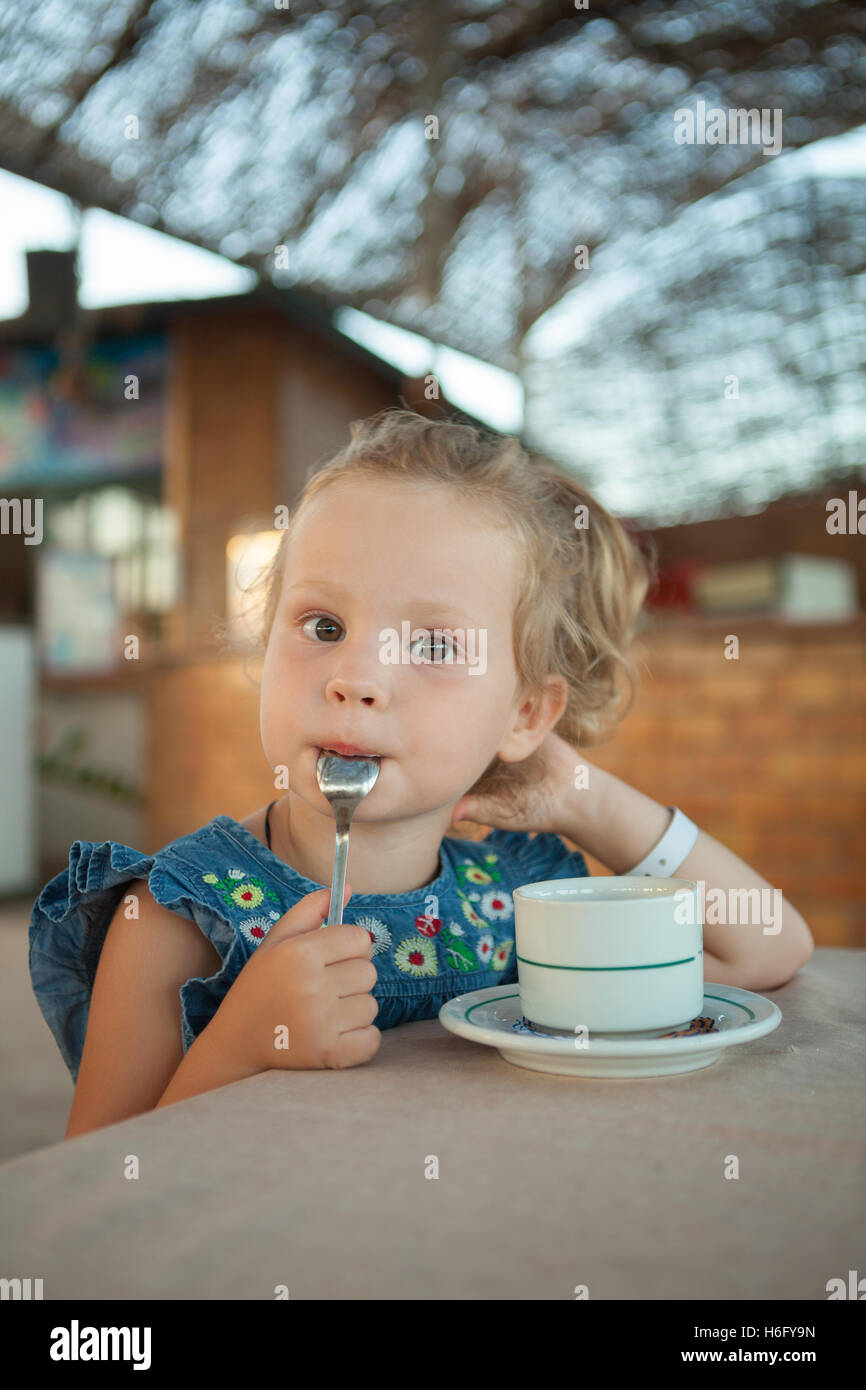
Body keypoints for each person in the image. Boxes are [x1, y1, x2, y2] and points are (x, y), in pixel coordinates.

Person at [29, 408, 813, 1138]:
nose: (356, 676)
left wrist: (586, 799)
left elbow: (767, 950)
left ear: (526, 716)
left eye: (435, 646)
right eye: (323, 626)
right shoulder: (174, 916)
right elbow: (99, 1179)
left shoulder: (515, 906)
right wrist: (239, 1046)